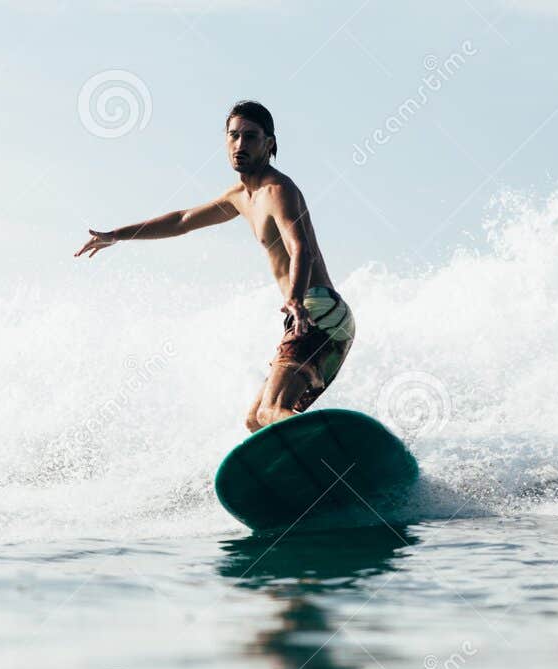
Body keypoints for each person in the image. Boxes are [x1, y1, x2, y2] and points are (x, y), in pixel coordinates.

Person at [75, 100, 354, 431]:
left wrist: (294, 298)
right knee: (256, 421)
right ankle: (321, 460)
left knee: (270, 412)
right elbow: (182, 221)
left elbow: (300, 248)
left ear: (269, 143)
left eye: (250, 137)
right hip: (318, 317)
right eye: (233, 136)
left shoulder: (277, 190)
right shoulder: (240, 196)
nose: (240, 144)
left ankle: (340, 450)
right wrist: (117, 235)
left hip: (316, 310)